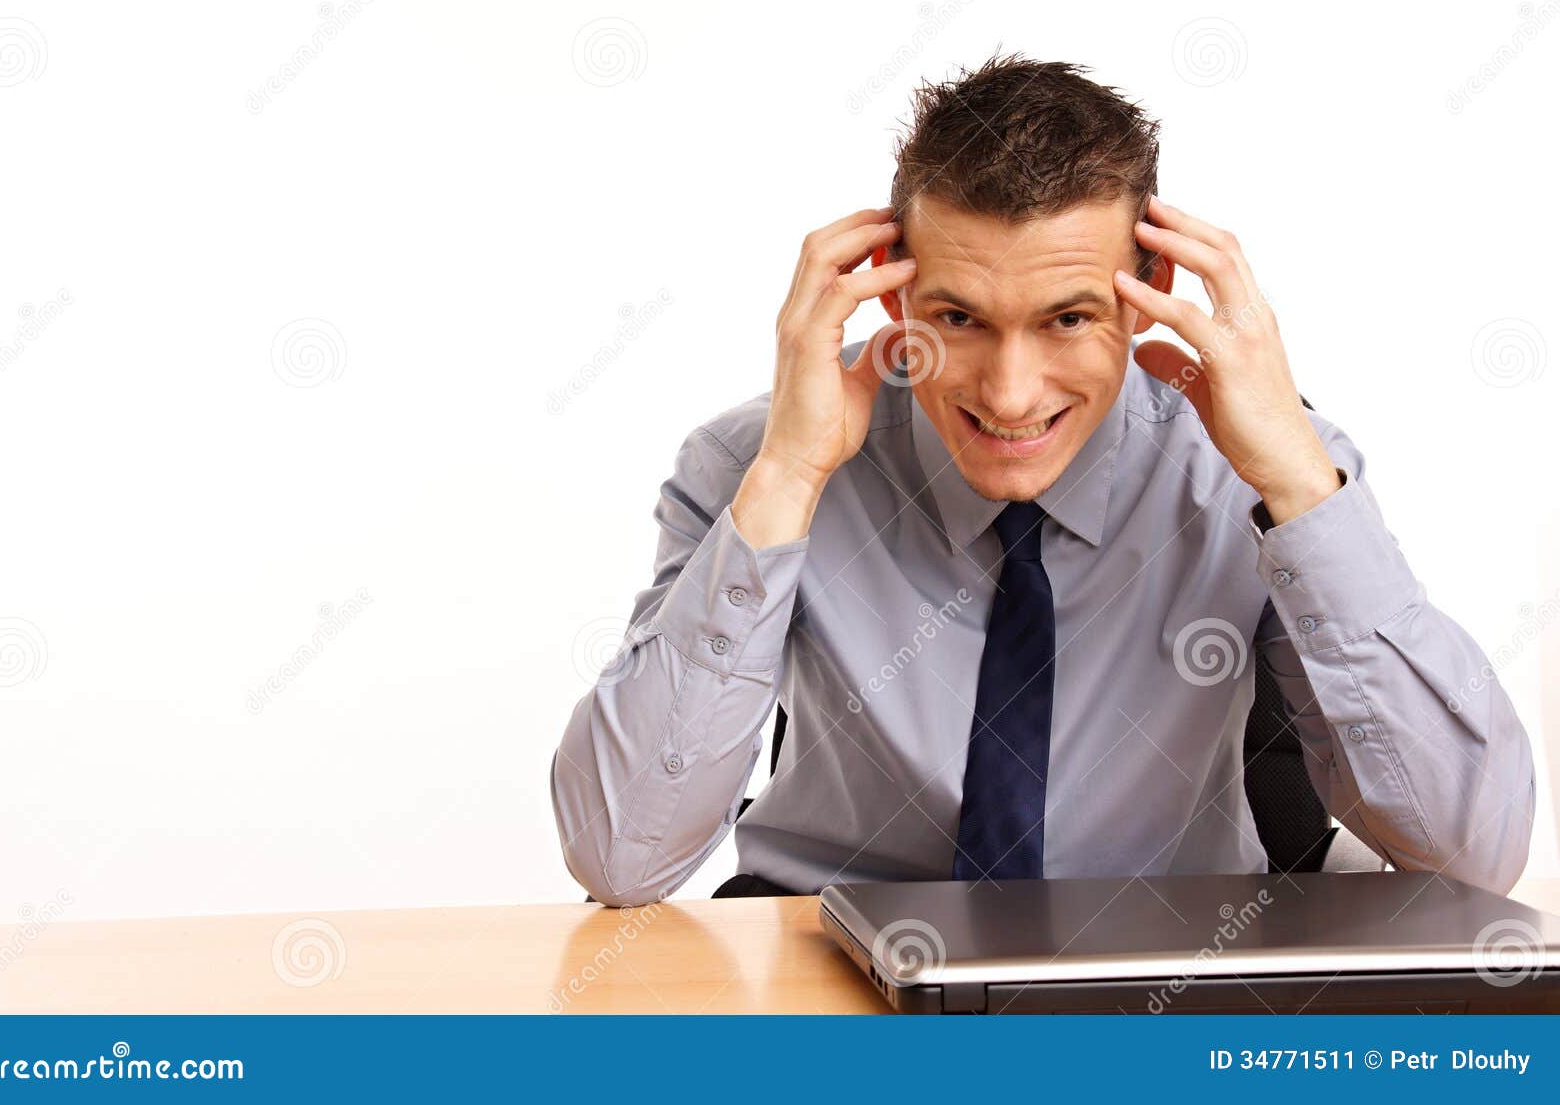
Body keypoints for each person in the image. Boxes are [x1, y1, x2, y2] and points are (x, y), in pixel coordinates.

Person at [551, 55, 1535, 906]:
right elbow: (620, 857)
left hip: (1166, 961)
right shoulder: (753, 463)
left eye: (1066, 318)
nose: (1010, 393)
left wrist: (1297, 488)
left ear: (1150, 290)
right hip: (825, 948)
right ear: (888, 281)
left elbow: (1468, 852)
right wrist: (787, 478)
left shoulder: (1256, 470)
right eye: (960, 317)